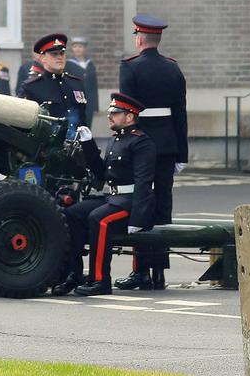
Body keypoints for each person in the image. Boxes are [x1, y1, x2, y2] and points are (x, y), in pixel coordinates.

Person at [118, 15, 187, 290]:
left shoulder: (130, 68)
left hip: (140, 144)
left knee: (141, 204)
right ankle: (159, 272)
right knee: (164, 207)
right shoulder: (173, 68)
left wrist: (122, 146)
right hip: (169, 145)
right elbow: (181, 114)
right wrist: (183, 153)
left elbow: (126, 113)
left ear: (139, 39)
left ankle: (141, 271)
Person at [67, 92, 157, 297]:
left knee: (99, 219)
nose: (110, 116)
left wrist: (138, 217)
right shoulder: (116, 140)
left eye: (115, 113)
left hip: (131, 201)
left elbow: (144, 183)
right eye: (110, 112)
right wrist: (88, 145)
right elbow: (102, 174)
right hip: (114, 198)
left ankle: (100, 280)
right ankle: (75, 273)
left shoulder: (141, 142)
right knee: (72, 213)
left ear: (130, 117)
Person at [22, 33, 92, 138]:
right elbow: (25, 124)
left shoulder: (76, 84)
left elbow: (83, 122)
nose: (59, 57)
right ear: (43, 58)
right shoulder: (32, 87)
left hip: (77, 147)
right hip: (48, 149)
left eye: (62, 53)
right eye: (54, 54)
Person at [68, 36, 99, 120]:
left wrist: (95, 106)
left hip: (89, 102)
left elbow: (94, 86)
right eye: (75, 47)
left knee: (88, 124)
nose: (77, 49)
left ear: (84, 49)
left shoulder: (90, 65)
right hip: (75, 101)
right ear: (72, 49)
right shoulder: (68, 65)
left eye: (80, 47)